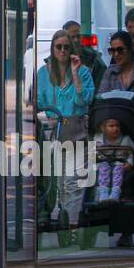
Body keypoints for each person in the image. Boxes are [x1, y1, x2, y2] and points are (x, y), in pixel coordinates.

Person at [35, 29, 94, 233]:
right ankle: (63, 220)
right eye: (58, 47)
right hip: (53, 131)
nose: (62, 50)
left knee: (73, 181)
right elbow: (38, 102)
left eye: (66, 47)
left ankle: (73, 225)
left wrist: (76, 73)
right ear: (52, 48)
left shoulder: (83, 72)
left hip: (76, 130)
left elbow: (84, 100)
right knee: (58, 182)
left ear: (72, 50)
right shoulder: (43, 73)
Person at [98, 30, 134, 112]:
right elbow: (100, 98)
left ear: (130, 49)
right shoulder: (110, 72)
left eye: (120, 50)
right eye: (112, 51)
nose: (116, 54)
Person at [63, 19, 106, 89]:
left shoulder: (93, 57)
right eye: (72, 37)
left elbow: (101, 84)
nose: (76, 40)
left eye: (78, 36)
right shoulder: (59, 57)